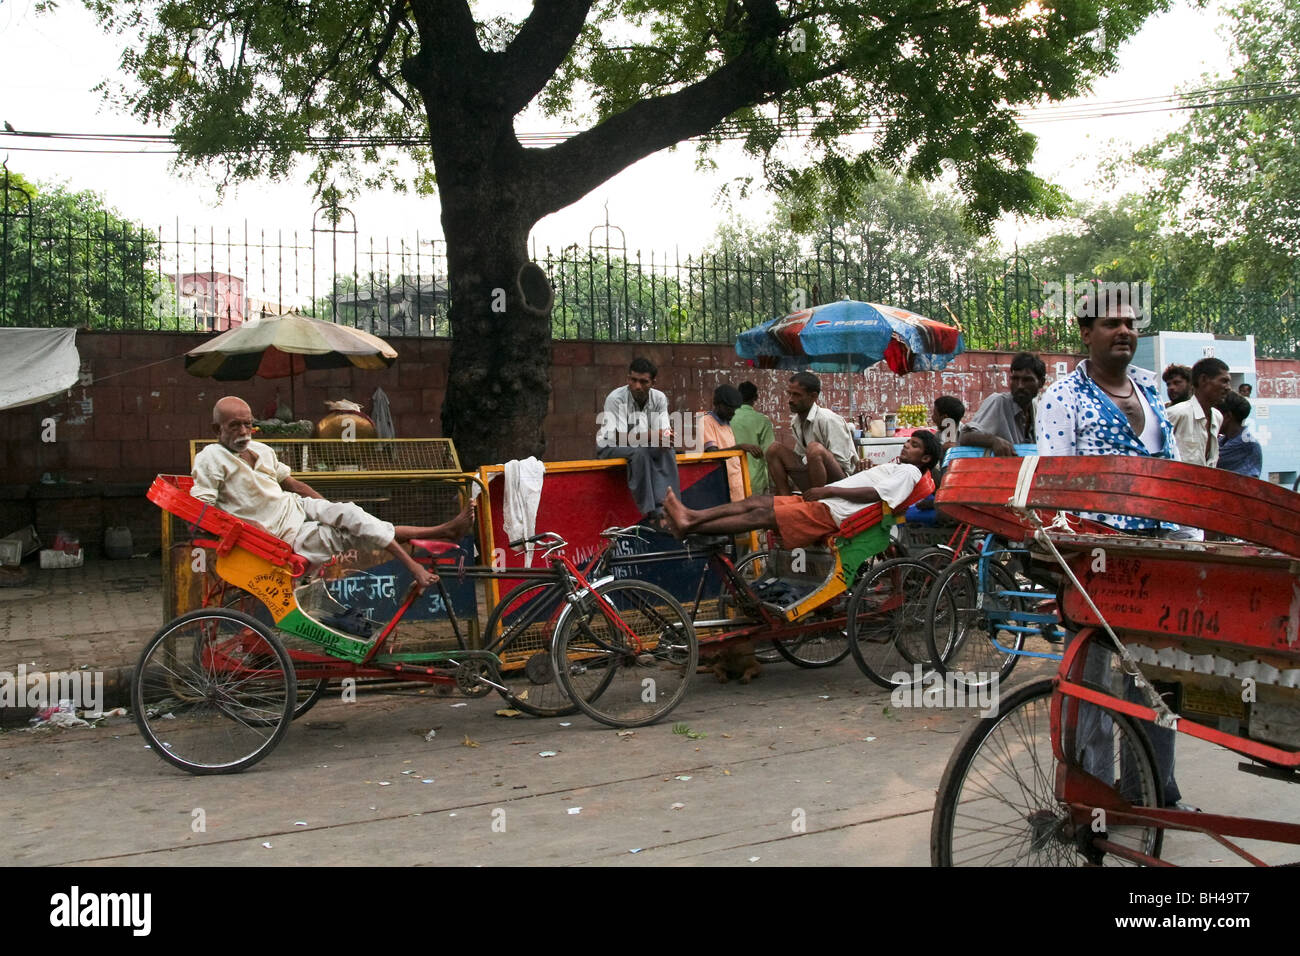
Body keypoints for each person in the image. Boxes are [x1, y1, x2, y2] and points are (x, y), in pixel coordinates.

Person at [1037, 291, 1189, 810]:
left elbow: (1170, 473)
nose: (1123, 331)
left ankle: (1151, 794)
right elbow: (1054, 492)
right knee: (1096, 690)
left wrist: (1190, 544)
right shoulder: (1062, 398)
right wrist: (1068, 564)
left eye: (1130, 322)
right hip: (1096, 565)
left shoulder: (1150, 389)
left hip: (1160, 557)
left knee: (1157, 685)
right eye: (1110, 323)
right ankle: (1095, 801)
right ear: (1085, 333)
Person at [192, 397, 474, 591]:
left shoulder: (262, 450)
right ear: (217, 429)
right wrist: (244, 528)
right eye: (234, 426)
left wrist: (326, 508)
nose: (243, 431)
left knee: (350, 513)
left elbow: (293, 484)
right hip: (279, 536)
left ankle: (442, 533)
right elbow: (200, 513)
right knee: (354, 531)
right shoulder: (211, 458)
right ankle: (427, 549)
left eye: (247, 424)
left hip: (296, 507)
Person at [663, 431, 941, 548]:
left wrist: (829, 491)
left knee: (758, 516)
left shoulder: (909, 472)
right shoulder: (899, 467)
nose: (907, 445)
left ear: (926, 459)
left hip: (833, 513)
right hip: (827, 504)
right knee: (759, 501)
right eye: (909, 442)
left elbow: (875, 496)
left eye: (915, 446)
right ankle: (691, 517)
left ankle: (690, 523)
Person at [596, 356, 681, 525]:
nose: (637, 386)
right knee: (640, 453)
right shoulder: (616, 398)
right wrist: (653, 435)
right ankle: (651, 511)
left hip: (641, 444)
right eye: (633, 380)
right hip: (610, 445)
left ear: (653, 383)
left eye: (643, 382)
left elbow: (662, 432)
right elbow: (619, 437)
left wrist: (665, 441)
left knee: (668, 451)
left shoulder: (659, 398)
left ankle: (671, 506)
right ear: (628, 378)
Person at [765, 371, 857, 494]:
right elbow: (801, 456)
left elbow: (843, 465)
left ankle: (817, 500)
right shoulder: (796, 421)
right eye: (789, 394)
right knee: (773, 449)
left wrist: (814, 459)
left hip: (841, 483)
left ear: (813, 396)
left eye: (797, 395)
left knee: (814, 449)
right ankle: (785, 498)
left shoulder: (828, 419)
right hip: (814, 476)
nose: (790, 400)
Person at [960, 352, 1045, 456]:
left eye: (1027, 380)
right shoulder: (998, 402)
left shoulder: (1036, 408)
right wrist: (994, 441)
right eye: (1015, 379)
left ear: (1041, 382)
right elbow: (966, 436)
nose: (1020, 386)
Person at [697, 384, 763, 501]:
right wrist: (740, 447)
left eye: (735, 409)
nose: (732, 412)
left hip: (737, 485)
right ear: (718, 404)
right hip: (721, 487)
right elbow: (713, 454)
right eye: (729, 409)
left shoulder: (727, 424)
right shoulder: (706, 421)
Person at [1166, 357, 1230, 469]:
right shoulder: (1176, 414)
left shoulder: (1217, 417)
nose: (1228, 388)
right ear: (1204, 380)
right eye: (1223, 381)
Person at [729, 381, 776, 494]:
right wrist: (774, 483)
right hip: (755, 481)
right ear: (756, 398)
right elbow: (770, 453)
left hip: (731, 478)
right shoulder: (762, 421)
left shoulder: (727, 417)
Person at [1217, 391, 1263, 479]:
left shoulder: (1246, 443)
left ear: (1227, 416)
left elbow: (1209, 459)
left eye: (1216, 414)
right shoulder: (1223, 440)